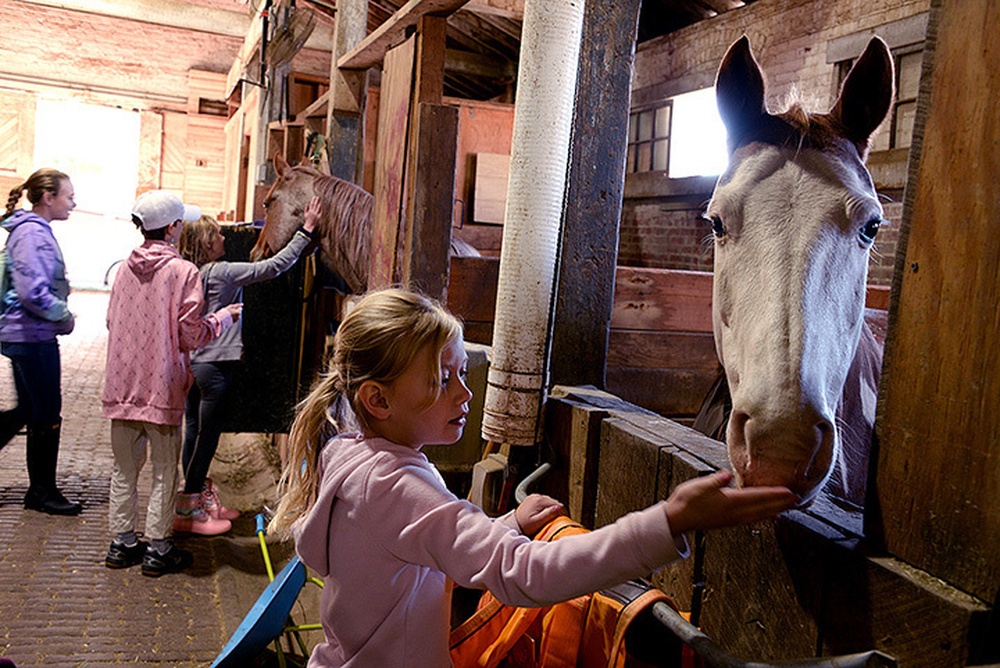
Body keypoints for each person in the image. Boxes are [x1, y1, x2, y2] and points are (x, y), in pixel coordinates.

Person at [268, 288, 798, 667]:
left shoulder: (354, 454)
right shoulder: (391, 485)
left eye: (461, 372)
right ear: (378, 400)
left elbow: (431, 543)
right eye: (442, 379)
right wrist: (668, 522)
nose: (464, 393)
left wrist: (507, 522)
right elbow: (523, 575)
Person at [102, 190, 242, 577]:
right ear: (173, 228)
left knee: (124, 469)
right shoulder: (184, 273)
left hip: (122, 384)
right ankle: (158, 549)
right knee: (165, 471)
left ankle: (122, 543)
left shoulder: (122, 271)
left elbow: (113, 322)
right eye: (181, 222)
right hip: (162, 387)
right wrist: (225, 317)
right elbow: (191, 336)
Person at [174, 199, 319, 536]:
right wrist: (306, 231)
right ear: (208, 242)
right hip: (216, 366)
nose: (224, 238)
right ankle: (189, 504)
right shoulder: (220, 272)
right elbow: (271, 267)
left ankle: (197, 495)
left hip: (194, 364)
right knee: (207, 436)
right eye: (218, 235)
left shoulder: (189, 271)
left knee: (194, 432)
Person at [0, 168, 82, 515]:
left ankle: (42, 490)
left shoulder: (31, 232)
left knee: (29, 409)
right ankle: (42, 491)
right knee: (45, 412)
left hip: (26, 334)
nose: (73, 203)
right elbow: (33, 292)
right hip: (32, 336)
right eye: (68, 196)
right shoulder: (33, 235)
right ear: (48, 198)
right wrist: (63, 316)